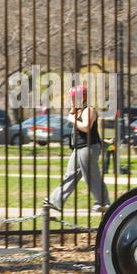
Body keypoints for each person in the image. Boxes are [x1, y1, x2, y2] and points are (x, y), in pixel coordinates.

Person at [45, 85, 111, 214]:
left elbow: (86, 127)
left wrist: (72, 118)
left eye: (73, 98)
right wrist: (72, 111)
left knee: (92, 176)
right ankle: (56, 201)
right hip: (80, 148)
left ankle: (104, 202)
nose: (71, 100)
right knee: (70, 175)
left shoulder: (89, 110)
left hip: (88, 147)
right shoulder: (80, 111)